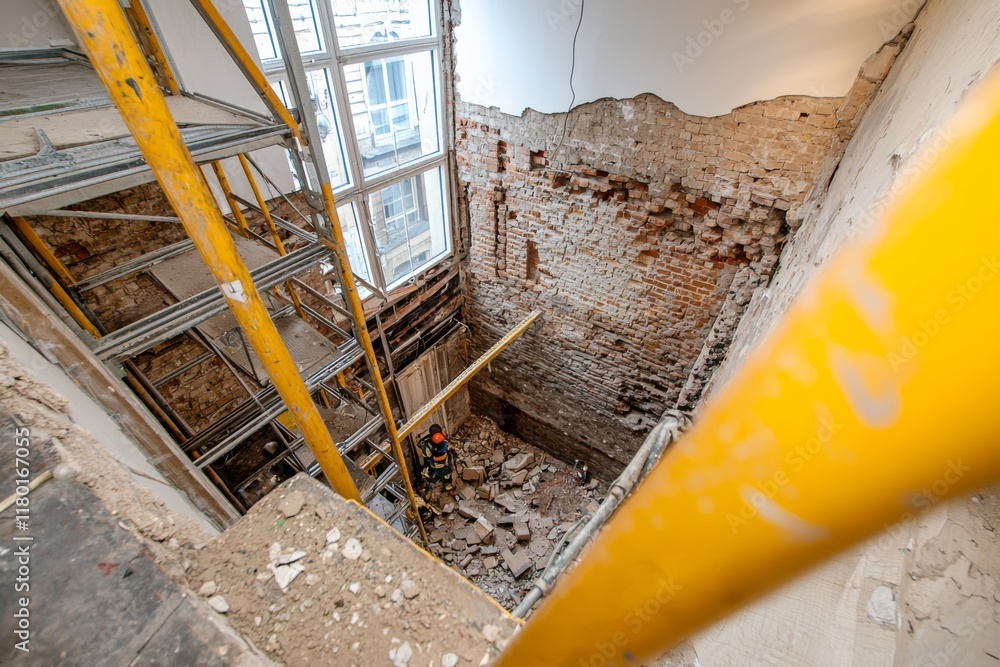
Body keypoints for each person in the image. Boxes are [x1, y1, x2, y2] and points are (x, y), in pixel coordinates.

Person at [418, 423, 454, 498]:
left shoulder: (426, 444)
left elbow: (426, 457)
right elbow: (450, 451)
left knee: (429, 474)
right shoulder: (445, 442)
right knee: (447, 474)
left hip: (433, 465)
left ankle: (432, 483)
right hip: (444, 464)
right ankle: (447, 484)